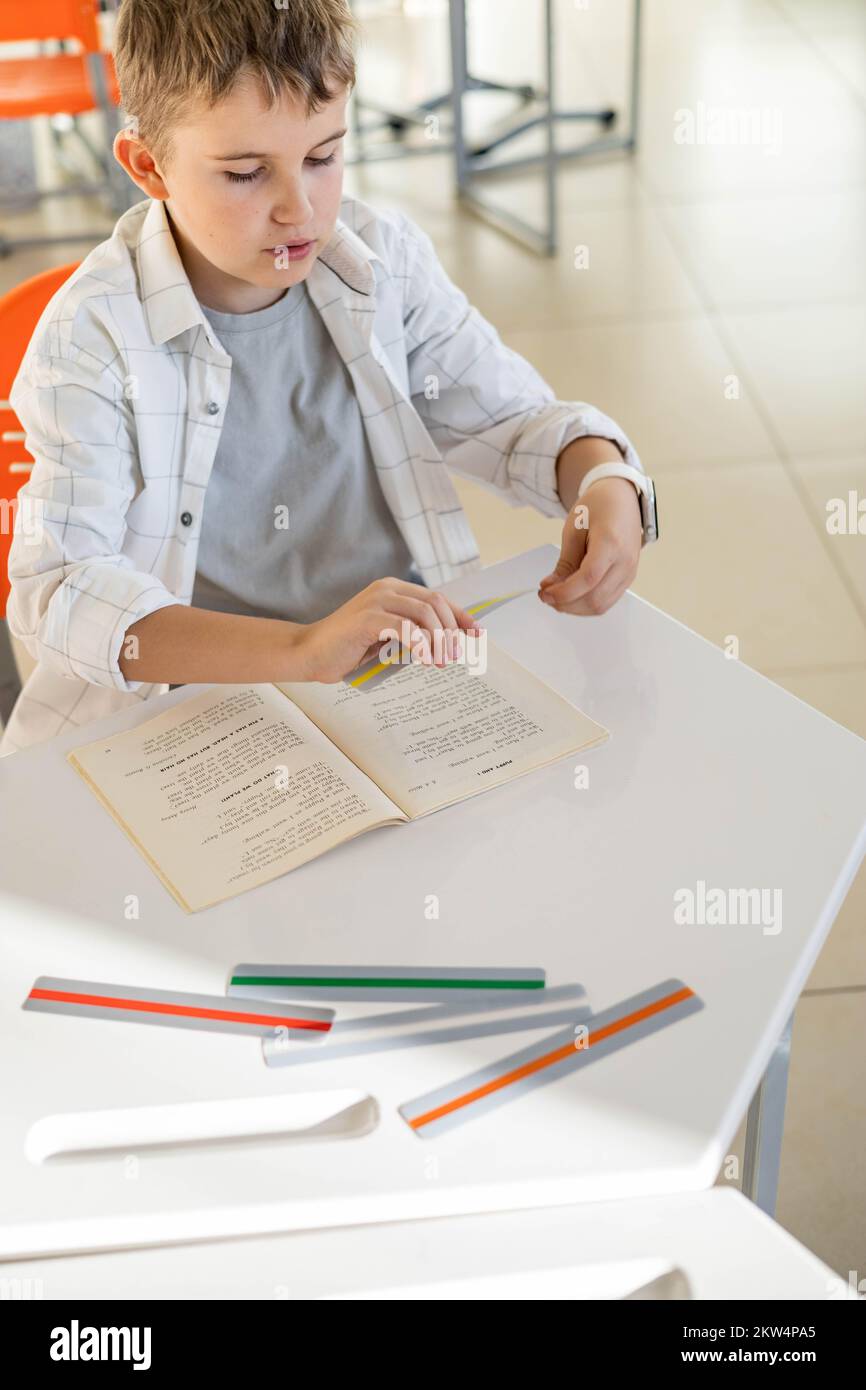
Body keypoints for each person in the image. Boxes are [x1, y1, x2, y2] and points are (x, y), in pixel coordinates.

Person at [1, 0, 647, 757]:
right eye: (246, 173)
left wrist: (604, 479)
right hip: (197, 708)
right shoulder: (91, 337)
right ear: (149, 166)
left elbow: (517, 421)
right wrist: (302, 651)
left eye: (324, 156)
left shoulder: (383, 259)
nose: (299, 209)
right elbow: (59, 591)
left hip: (396, 676)